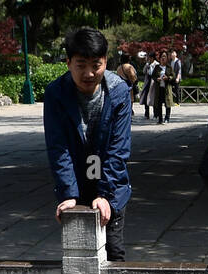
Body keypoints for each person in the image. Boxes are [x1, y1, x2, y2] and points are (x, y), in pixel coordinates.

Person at [44, 26, 132, 261]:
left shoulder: (118, 92)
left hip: (112, 186)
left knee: (113, 252)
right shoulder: (55, 94)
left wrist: (105, 194)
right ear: (68, 62)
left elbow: (118, 149)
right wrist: (68, 193)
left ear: (105, 61)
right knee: (78, 256)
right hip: (77, 184)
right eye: (81, 65)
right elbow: (58, 148)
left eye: (96, 65)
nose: (89, 73)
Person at [164, 49, 183, 122]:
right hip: (171, 77)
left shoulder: (178, 61)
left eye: (173, 53)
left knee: (176, 89)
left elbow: (179, 70)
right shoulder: (171, 61)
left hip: (176, 78)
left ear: (175, 54)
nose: (172, 55)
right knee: (170, 90)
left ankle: (177, 102)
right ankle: (172, 101)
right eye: (171, 54)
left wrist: (178, 77)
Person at [141, 51, 160, 119]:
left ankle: (156, 114)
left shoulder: (156, 64)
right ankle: (146, 114)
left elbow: (155, 73)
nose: (149, 59)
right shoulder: (147, 64)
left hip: (154, 82)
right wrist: (147, 66)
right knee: (146, 98)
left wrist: (151, 67)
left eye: (150, 57)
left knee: (154, 98)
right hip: (147, 82)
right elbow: (143, 71)